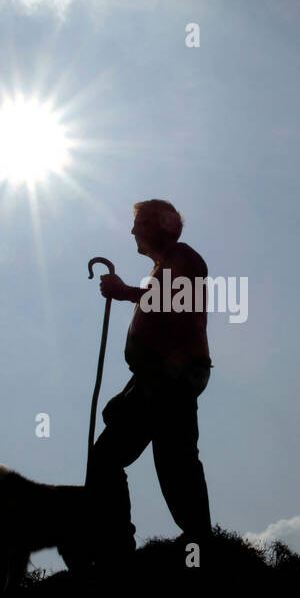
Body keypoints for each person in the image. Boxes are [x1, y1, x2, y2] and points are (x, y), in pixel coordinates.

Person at [87, 199, 213, 564]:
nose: (132, 232)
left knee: (170, 458)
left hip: (171, 376)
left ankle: (194, 544)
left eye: (139, 223)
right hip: (156, 377)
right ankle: (135, 546)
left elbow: (174, 303)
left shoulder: (184, 259)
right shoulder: (168, 265)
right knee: (159, 457)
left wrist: (124, 291)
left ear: (162, 225)